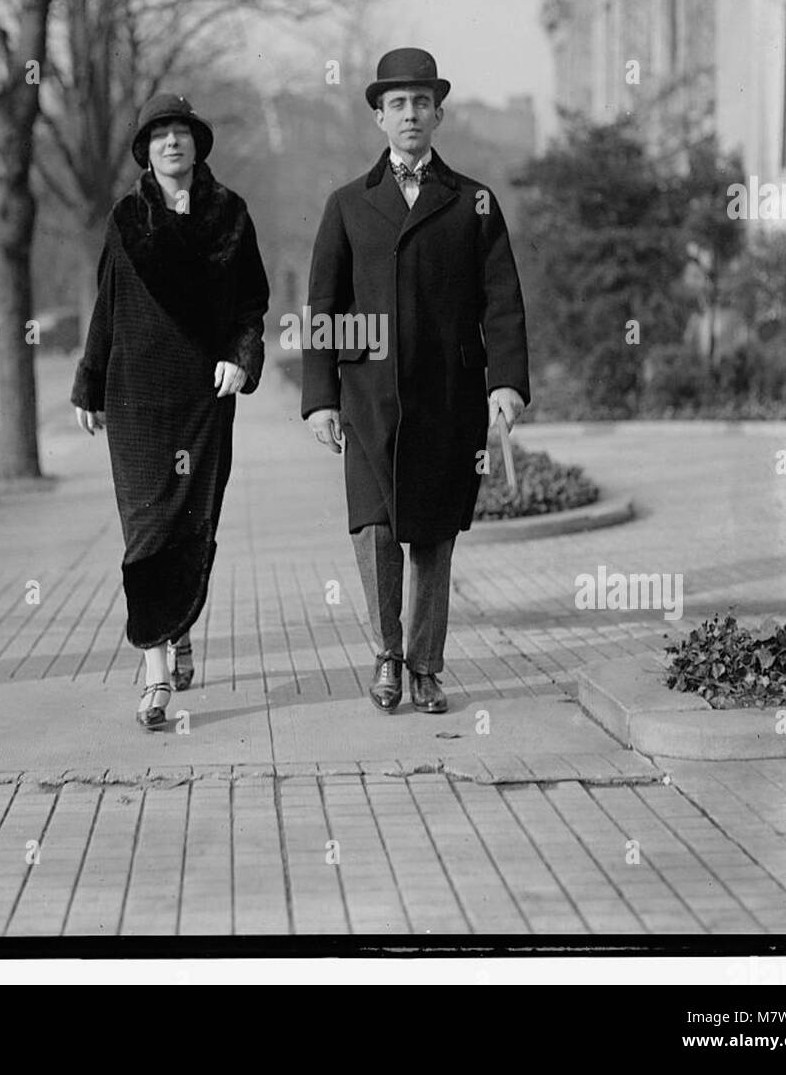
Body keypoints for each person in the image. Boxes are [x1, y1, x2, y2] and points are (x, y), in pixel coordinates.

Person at [301, 48, 530, 714]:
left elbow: (503, 298)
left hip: (446, 398)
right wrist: (320, 399)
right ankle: (386, 656)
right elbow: (325, 308)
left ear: (437, 114)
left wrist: (505, 382)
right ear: (378, 117)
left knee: (431, 534)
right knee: (372, 529)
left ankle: (427, 667)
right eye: (396, 104)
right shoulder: (346, 204)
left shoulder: (474, 202)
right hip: (368, 398)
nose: (410, 114)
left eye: (420, 103)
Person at [71, 91, 269, 730]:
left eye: (182, 132)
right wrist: (89, 383)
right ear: (145, 149)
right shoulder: (126, 217)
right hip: (135, 398)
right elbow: (106, 305)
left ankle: (176, 622)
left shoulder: (230, 215)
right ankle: (156, 672)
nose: (172, 143)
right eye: (160, 135)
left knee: (190, 522)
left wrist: (241, 356)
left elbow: (250, 306)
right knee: (144, 529)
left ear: (196, 144)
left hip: (202, 396)